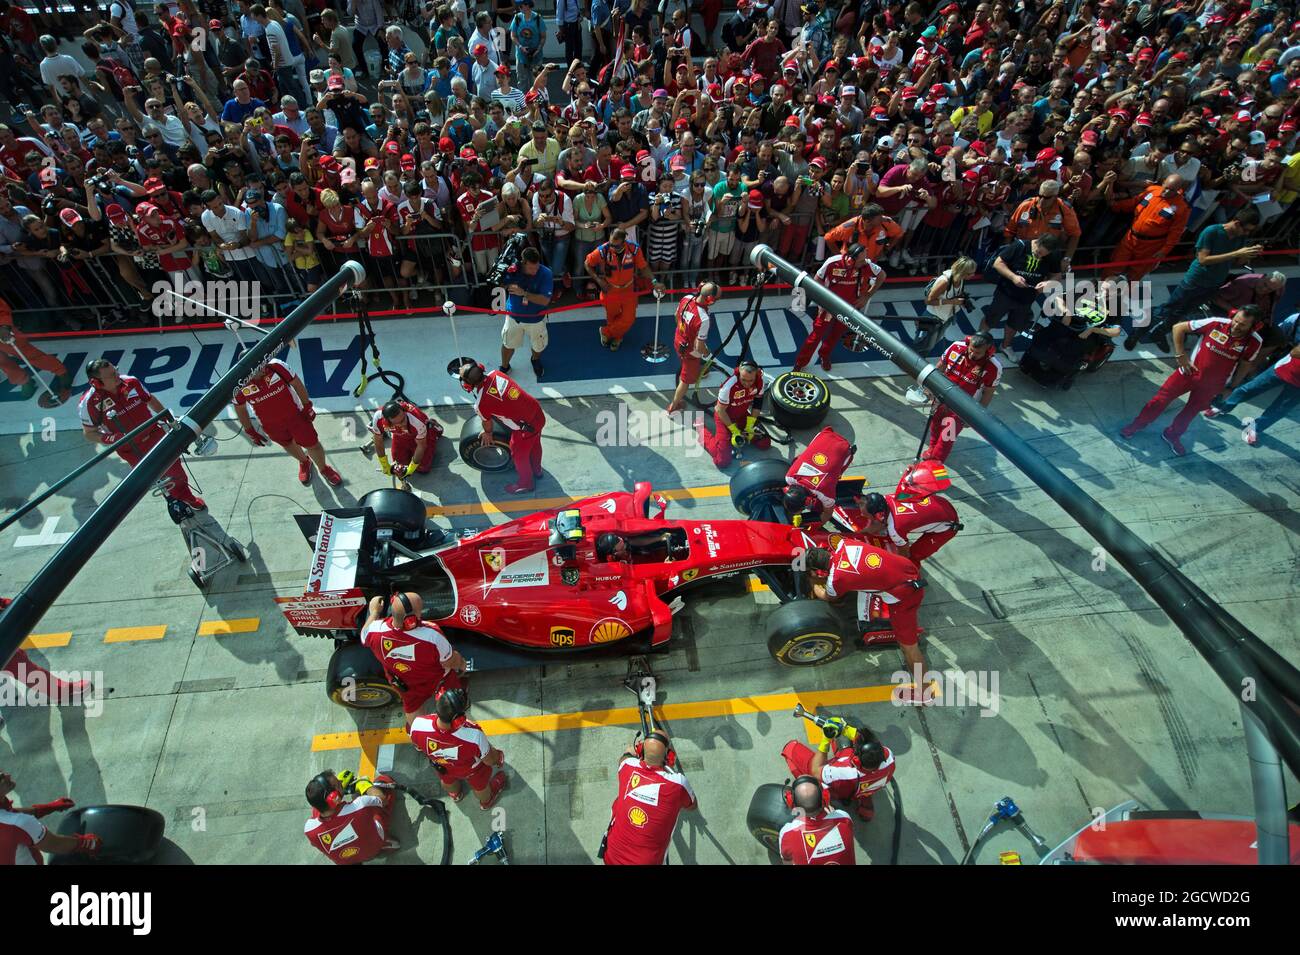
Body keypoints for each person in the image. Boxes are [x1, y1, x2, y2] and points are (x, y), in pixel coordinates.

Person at [1120, 306, 1266, 456]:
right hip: (1187, 373)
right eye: (1235, 321)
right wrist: (1180, 355)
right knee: (1159, 401)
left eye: (1242, 325)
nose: (1236, 326)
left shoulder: (1255, 341)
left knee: (1190, 412)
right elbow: (1178, 328)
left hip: (1212, 386)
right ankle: (1137, 425)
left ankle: (1172, 434)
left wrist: (1232, 387)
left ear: (1254, 326)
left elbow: (1246, 364)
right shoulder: (1216, 323)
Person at [1125, 208, 1263, 353]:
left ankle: (1158, 333)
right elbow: (1203, 259)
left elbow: (1239, 261)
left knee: (1182, 312)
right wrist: (1236, 253)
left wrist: (1250, 253)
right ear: (1237, 223)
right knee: (1166, 309)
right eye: (1246, 230)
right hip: (1195, 281)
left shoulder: (1240, 238)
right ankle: (1138, 332)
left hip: (1214, 284)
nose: (1247, 233)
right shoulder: (1212, 232)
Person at [78, 359, 206, 511]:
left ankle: (187, 498)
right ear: (97, 383)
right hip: (130, 449)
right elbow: (89, 433)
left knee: (176, 473)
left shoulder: (131, 382)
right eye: (112, 375)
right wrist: (113, 438)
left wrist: (169, 419)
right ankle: (176, 503)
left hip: (156, 435)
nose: (117, 375)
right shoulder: (89, 403)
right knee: (157, 479)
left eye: (116, 370)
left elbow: (150, 399)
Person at [803, 542, 929, 690]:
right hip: (908, 568)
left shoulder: (836, 579)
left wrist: (812, 584)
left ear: (818, 570)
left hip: (906, 595)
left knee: (909, 648)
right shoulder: (846, 543)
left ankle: (925, 691)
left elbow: (827, 596)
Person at [358, 592, 468, 729]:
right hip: (436, 679)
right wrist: (462, 664)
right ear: (410, 621)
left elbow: (363, 635)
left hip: (404, 684)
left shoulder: (374, 631)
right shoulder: (432, 635)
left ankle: (418, 734)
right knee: (452, 704)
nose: (421, 614)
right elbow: (450, 661)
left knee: (411, 707)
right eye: (419, 612)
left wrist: (374, 612)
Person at [232, 357, 342, 487]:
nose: (263, 369)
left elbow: (296, 383)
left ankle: (324, 468)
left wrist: (307, 406)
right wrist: (249, 430)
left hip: (296, 416)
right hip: (271, 425)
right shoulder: (237, 382)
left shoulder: (276, 366)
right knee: (288, 444)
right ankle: (304, 461)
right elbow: (239, 407)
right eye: (258, 368)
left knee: (313, 444)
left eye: (262, 364)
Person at [600, 728, 696, 865]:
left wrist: (629, 751)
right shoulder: (678, 784)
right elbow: (692, 805)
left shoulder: (627, 766)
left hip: (612, 858)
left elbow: (623, 758)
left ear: (641, 751)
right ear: (669, 756)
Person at [409, 688, 508, 810]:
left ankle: (455, 794)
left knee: (447, 780)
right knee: (480, 786)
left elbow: (418, 744)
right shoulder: (473, 736)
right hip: (472, 770)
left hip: (442, 766)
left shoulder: (418, 724)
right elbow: (489, 760)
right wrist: (496, 757)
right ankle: (486, 801)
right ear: (458, 720)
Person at [792, 243, 884, 372]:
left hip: (848, 308)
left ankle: (824, 355)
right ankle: (800, 362)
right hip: (829, 306)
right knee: (816, 336)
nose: (865, 262)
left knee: (836, 334)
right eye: (862, 259)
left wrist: (867, 295)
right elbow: (817, 279)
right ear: (851, 259)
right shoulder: (833, 262)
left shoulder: (866, 264)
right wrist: (821, 301)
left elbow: (882, 275)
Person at [459, 360, 546, 494]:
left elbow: (487, 422)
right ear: (481, 368)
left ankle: (526, 484)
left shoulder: (481, 404)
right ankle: (537, 471)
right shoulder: (497, 373)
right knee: (535, 444)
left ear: (468, 385)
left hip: (525, 429)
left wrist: (488, 433)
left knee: (519, 456)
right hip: (537, 414)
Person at [922, 333, 1002, 463]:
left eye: (977, 353)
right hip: (941, 398)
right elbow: (940, 367)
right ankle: (932, 448)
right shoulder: (955, 347)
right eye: (971, 350)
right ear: (968, 342)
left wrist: (976, 416)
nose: (972, 355)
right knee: (935, 425)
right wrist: (929, 387)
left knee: (947, 437)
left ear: (988, 350)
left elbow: (988, 393)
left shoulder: (994, 367)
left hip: (963, 408)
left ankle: (935, 462)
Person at [1204, 339, 1300, 446]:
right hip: (1282, 369)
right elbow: (1295, 352)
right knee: (1249, 389)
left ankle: (1255, 428)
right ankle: (1223, 407)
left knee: (1281, 409)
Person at [980, 233, 1065, 353]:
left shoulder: (1054, 254)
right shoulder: (1020, 246)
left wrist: (1048, 283)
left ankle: (1005, 346)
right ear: (1037, 243)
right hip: (1006, 292)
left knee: (1015, 323)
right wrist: (1013, 277)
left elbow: (1057, 275)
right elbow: (998, 263)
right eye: (1038, 253)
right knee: (991, 318)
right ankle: (978, 341)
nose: (1040, 257)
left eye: (1044, 256)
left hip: (1028, 296)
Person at [584, 224, 663, 350]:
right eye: (611, 244)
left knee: (629, 319)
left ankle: (605, 332)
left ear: (623, 242)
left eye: (615, 245)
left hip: (628, 290)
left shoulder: (634, 249)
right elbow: (587, 263)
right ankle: (618, 337)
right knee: (612, 318)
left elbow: (643, 267)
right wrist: (599, 281)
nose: (612, 247)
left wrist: (654, 281)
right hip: (610, 290)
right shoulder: (603, 250)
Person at [1101, 175, 1191, 282]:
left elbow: (1176, 232)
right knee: (1114, 266)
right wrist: (1115, 205)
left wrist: (1164, 250)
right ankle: (1101, 290)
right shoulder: (1152, 191)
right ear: (1163, 183)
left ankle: (1122, 295)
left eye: (1171, 190)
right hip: (1130, 238)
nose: (1166, 192)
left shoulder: (1182, 208)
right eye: (1166, 187)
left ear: (1178, 190)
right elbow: (1134, 202)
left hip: (1151, 246)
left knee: (1135, 274)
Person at [0, 769, 101, 864]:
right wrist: (87, 843)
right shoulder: (18, 824)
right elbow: (55, 844)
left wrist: (45, 808)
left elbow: (9, 814)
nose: (8, 775)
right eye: (1, 777)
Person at [303, 769, 398, 864]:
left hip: (349, 861)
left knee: (316, 811)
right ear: (333, 797)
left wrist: (339, 790)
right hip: (373, 848)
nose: (340, 782)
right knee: (384, 781)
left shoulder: (309, 829)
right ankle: (384, 844)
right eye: (338, 784)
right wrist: (364, 785)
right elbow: (382, 799)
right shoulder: (361, 805)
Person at [0, 295, 71, 407]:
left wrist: (4, 326)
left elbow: (1, 308)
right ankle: (24, 381)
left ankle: (61, 371)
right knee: (3, 363)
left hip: (2, 331)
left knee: (28, 354)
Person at [698, 359, 769, 468]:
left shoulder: (760, 382)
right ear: (739, 372)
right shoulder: (728, 386)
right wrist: (734, 430)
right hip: (724, 418)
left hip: (742, 416)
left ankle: (740, 434)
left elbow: (757, 405)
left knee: (765, 443)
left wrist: (750, 426)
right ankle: (701, 430)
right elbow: (719, 410)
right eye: (744, 379)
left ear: (757, 374)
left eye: (751, 380)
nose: (747, 383)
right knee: (722, 461)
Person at [782, 426, 855, 527]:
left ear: (808, 501)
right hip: (823, 435)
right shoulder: (789, 476)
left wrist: (815, 528)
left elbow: (827, 514)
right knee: (797, 460)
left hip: (844, 448)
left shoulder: (825, 494)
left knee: (819, 506)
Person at [777, 775, 856, 865]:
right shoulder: (844, 818)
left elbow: (787, 860)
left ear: (791, 802)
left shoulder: (787, 833)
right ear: (825, 797)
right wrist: (834, 815)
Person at [500, 245, 553, 379]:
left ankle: (535, 360)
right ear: (523, 263)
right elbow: (501, 284)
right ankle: (505, 366)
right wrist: (507, 284)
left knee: (538, 345)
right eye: (531, 268)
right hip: (513, 316)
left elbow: (545, 300)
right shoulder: (512, 270)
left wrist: (523, 293)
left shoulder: (546, 273)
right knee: (508, 343)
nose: (535, 271)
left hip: (536, 319)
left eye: (536, 267)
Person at [666, 282, 718, 415]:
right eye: (716, 299)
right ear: (710, 300)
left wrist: (684, 332)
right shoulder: (704, 319)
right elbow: (699, 346)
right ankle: (674, 405)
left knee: (686, 363)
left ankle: (696, 369)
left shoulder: (687, 298)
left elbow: (676, 316)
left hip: (678, 339)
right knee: (685, 381)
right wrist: (707, 354)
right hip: (690, 352)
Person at [369, 399, 441, 489]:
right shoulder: (378, 418)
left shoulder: (417, 420)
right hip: (400, 436)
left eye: (403, 419)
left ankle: (433, 427)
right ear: (387, 421)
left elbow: (421, 445)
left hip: (420, 436)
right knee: (400, 463)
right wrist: (384, 464)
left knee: (423, 468)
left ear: (404, 411)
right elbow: (378, 440)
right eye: (398, 423)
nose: (403, 424)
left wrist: (412, 467)